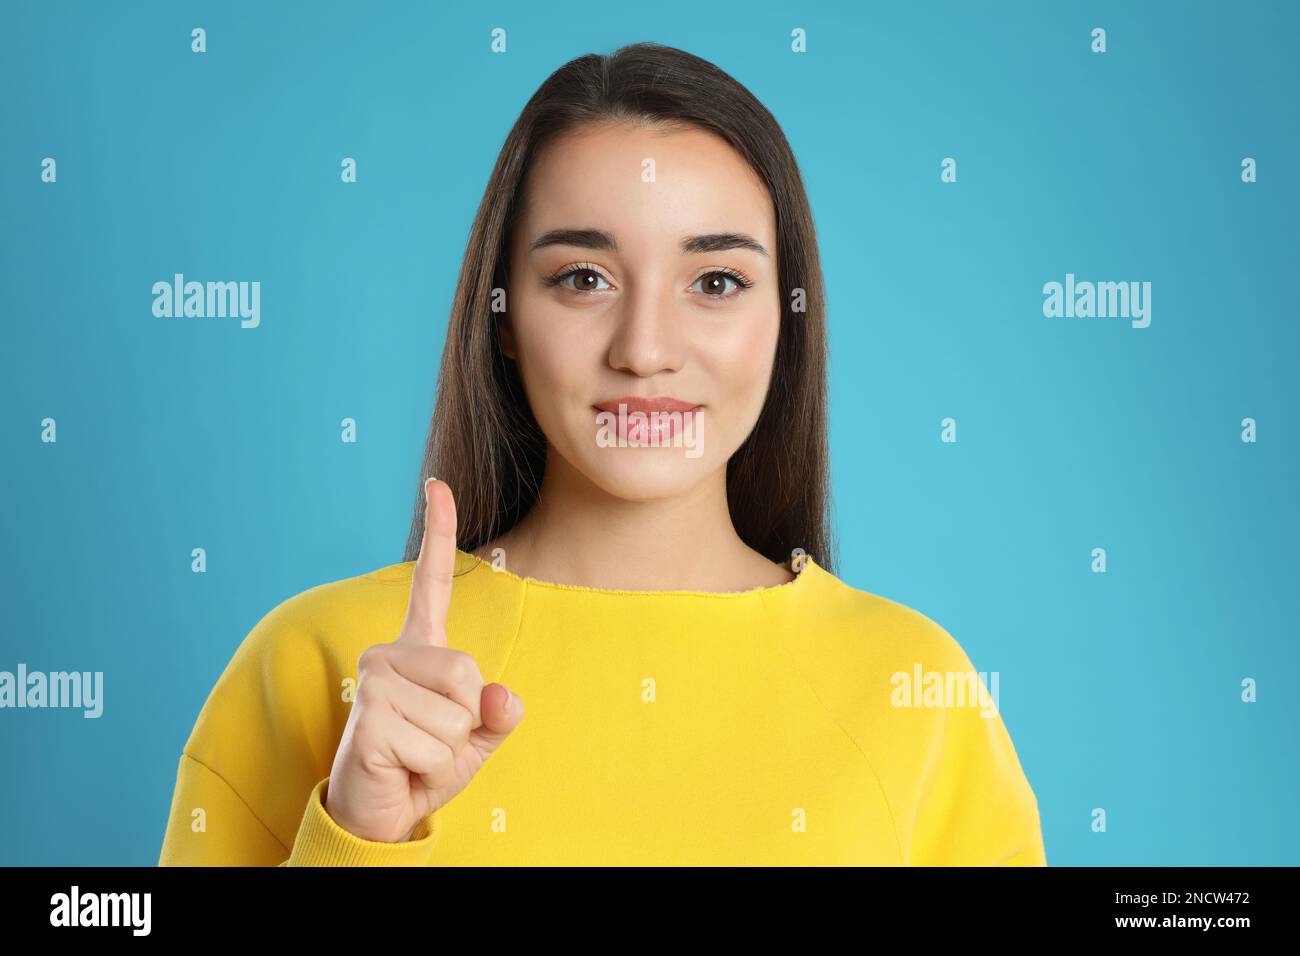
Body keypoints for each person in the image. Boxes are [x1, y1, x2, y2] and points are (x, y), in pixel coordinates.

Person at [159, 42, 1046, 866]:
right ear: (503, 317)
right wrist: (357, 839)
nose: (645, 348)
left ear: (786, 320)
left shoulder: (916, 689)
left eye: (717, 281)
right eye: (583, 278)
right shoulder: (317, 663)